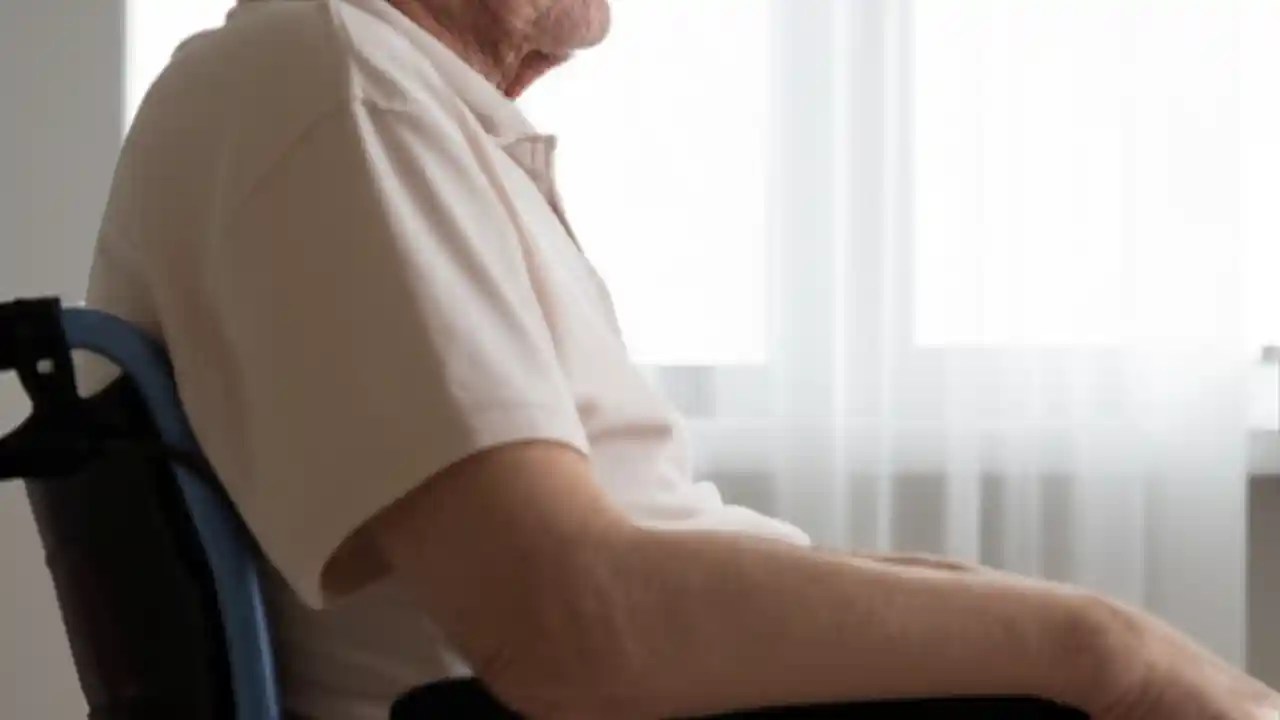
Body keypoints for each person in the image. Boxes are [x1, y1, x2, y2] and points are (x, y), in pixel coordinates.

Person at [82, 0, 1280, 718]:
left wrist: (986, 600)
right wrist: (1106, 654)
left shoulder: (365, 95)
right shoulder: (330, 83)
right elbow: (570, 625)